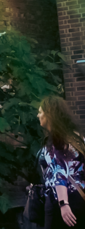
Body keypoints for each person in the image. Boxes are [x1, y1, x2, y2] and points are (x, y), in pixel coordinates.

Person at [38, 96, 85, 227]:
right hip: (80, 197)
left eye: (40, 112)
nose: (38, 115)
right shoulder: (76, 137)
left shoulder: (56, 141)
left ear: (49, 114)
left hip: (61, 200)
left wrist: (63, 204)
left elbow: (59, 172)